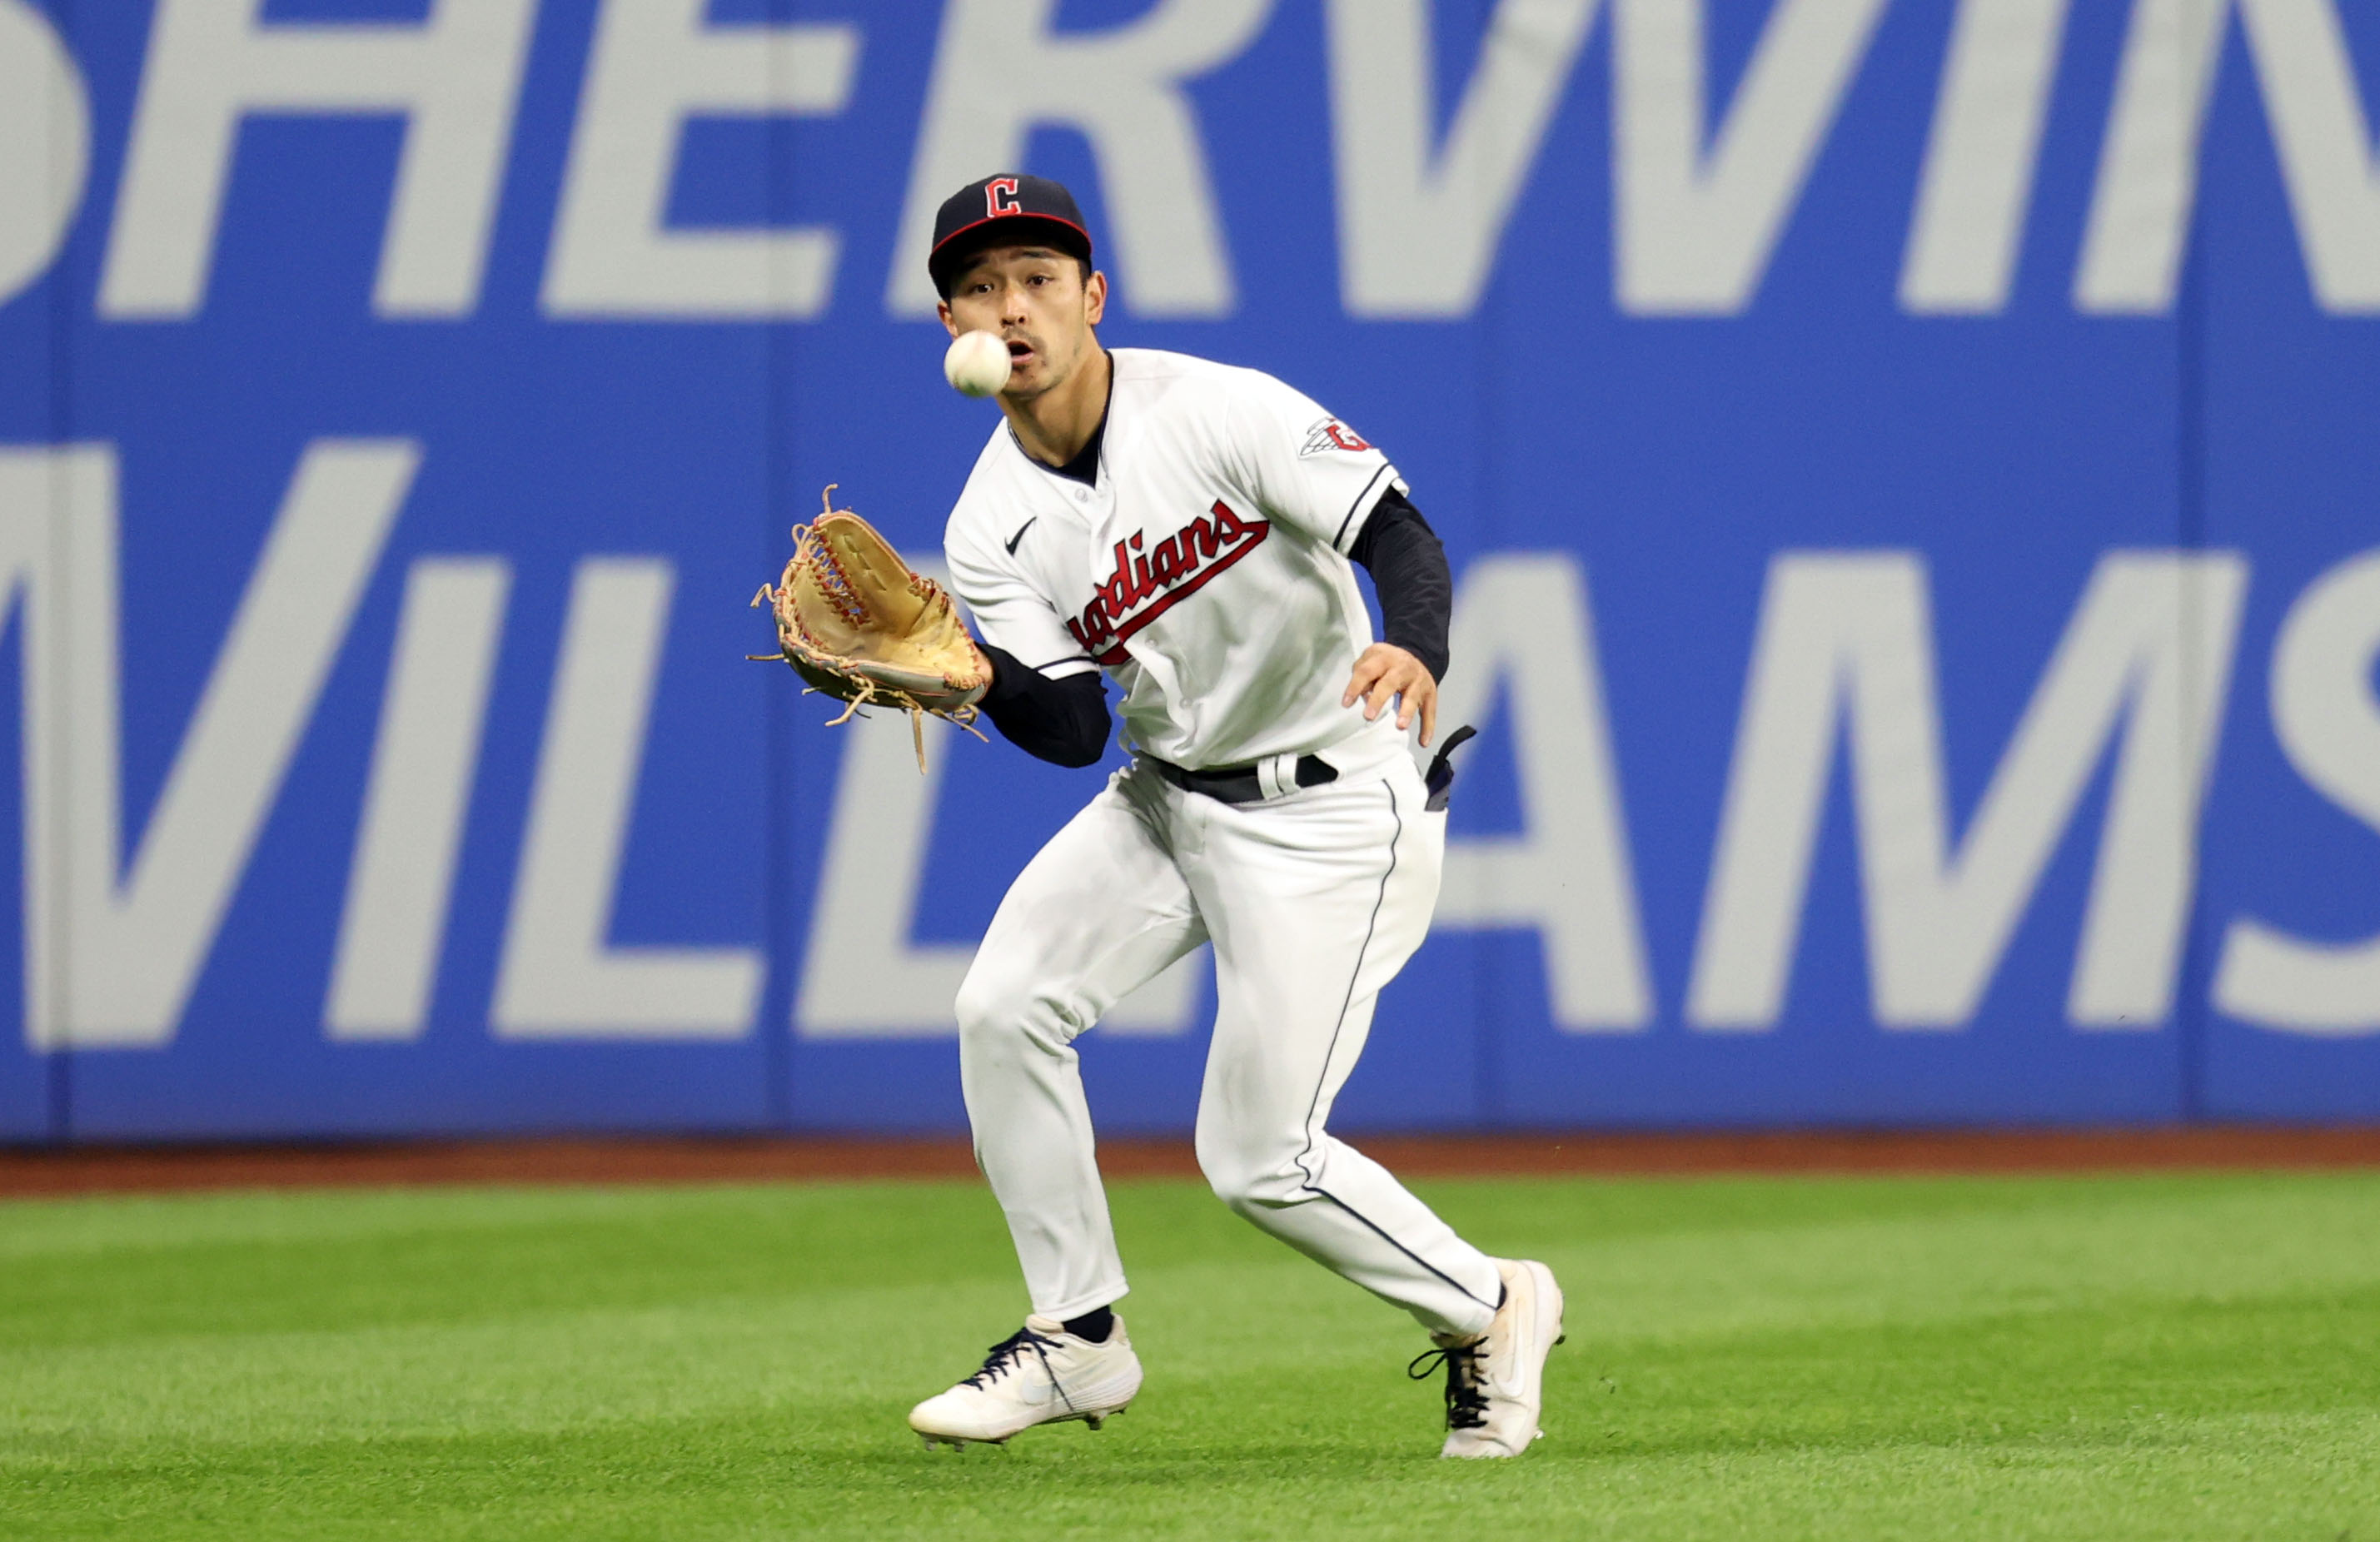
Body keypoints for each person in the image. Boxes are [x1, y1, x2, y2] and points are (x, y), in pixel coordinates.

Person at [904, 174, 1563, 1460]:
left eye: (1039, 278)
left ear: (1092, 298)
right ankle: (1078, 1338)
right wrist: (980, 681)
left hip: (1333, 808)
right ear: (952, 324)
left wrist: (1415, 645)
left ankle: (1490, 1305)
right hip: (1163, 797)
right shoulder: (989, 524)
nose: (1013, 306)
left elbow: (1398, 534)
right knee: (1000, 1007)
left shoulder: (1215, 406)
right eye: (981, 286)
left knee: (1259, 1157)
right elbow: (1077, 732)